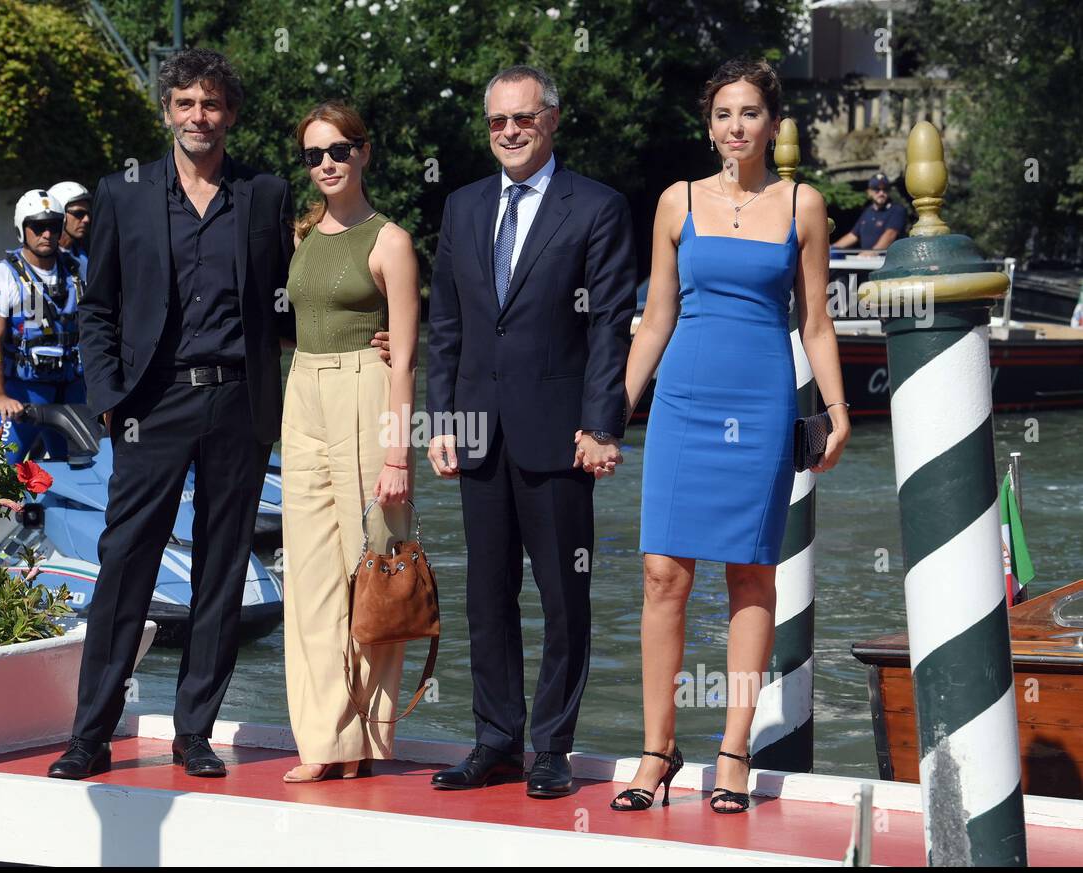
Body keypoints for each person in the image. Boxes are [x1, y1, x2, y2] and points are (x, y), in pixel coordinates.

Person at [48, 49, 295, 780]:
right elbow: (98, 310)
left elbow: (286, 302)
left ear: (231, 114)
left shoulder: (264, 194)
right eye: (185, 103)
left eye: (212, 104)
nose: (198, 116)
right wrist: (109, 396)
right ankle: (90, 734)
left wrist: (367, 336)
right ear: (167, 112)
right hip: (148, 405)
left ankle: (195, 734)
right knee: (125, 564)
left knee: (221, 570)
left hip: (238, 402)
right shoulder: (122, 196)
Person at [615, 59, 850, 815]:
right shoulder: (675, 204)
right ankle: (658, 749)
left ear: (772, 125)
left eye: (750, 113)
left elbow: (814, 321)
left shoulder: (803, 205)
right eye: (723, 113)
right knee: (662, 575)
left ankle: (733, 750)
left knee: (750, 576)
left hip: (760, 402)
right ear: (708, 123)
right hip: (683, 400)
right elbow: (655, 319)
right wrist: (613, 406)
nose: (735, 126)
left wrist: (838, 409)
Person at [425, 65, 635, 799]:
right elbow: (445, 323)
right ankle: (495, 739)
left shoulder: (598, 207)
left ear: (551, 120)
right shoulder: (461, 207)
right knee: (487, 595)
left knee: (562, 594)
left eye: (523, 119)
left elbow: (611, 325)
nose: (509, 132)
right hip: (478, 427)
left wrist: (601, 424)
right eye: (497, 122)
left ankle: (551, 747)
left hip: (560, 435)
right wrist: (440, 418)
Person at [279, 102, 420, 783]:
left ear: (365, 152)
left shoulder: (389, 239)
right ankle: (323, 741)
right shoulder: (304, 231)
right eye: (314, 155)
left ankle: (365, 738)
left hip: (366, 391)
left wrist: (398, 452)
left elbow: (407, 358)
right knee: (308, 578)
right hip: (301, 391)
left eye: (339, 150)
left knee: (372, 569)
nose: (327, 163)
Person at [0, 189, 87, 464]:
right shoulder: (1, 275)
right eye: (37, 227)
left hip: (73, 392)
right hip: (23, 397)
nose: (46, 234)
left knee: (84, 472)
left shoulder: (78, 270)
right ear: (22, 228)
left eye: (52, 226)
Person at [833, 171, 907, 252]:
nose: (881, 193)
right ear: (869, 192)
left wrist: (873, 253)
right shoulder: (867, 211)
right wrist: (833, 248)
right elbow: (853, 235)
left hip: (887, 261)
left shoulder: (897, 210)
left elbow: (890, 234)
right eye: (877, 189)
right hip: (868, 261)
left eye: (885, 189)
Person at [49, 180, 92, 278]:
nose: (86, 219)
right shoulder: (42, 259)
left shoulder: (85, 253)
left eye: (88, 214)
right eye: (79, 214)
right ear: (60, 213)